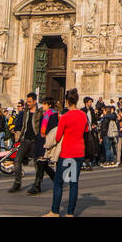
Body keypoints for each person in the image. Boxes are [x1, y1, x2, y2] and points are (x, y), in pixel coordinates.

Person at [46, 89, 88, 217]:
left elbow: (58, 137)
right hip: (79, 153)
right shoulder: (83, 115)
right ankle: (70, 213)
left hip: (66, 154)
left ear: (68, 101)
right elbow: (85, 132)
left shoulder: (65, 117)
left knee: (59, 183)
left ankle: (55, 211)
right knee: (73, 184)